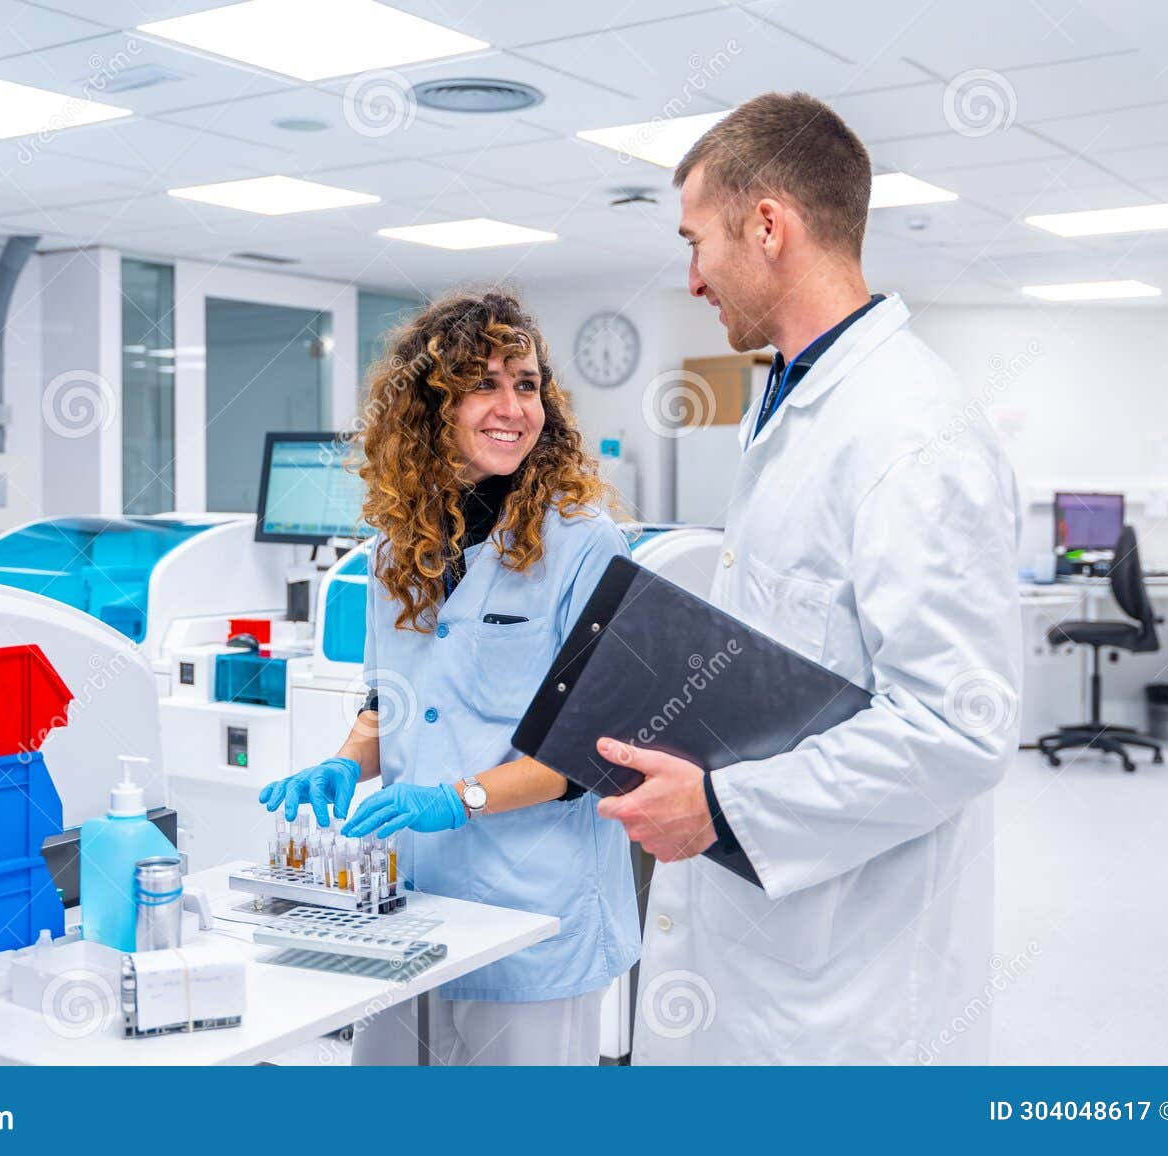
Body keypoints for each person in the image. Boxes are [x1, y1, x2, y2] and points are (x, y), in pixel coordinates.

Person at [595, 92, 1022, 1064]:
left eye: (696, 241)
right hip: (768, 953)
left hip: (853, 988)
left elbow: (958, 727)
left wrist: (721, 806)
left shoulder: (912, 430)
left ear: (768, 225)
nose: (693, 276)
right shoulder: (799, 403)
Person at [260, 289, 639, 1066]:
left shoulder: (586, 545)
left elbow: (589, 753)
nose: (512, 407)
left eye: (526, 384)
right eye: (483, 384)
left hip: (536, 915)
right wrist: (345, 759)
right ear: (432, 406)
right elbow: (386, 703)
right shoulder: (396, 551)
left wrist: (456, 799)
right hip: (410, 904)